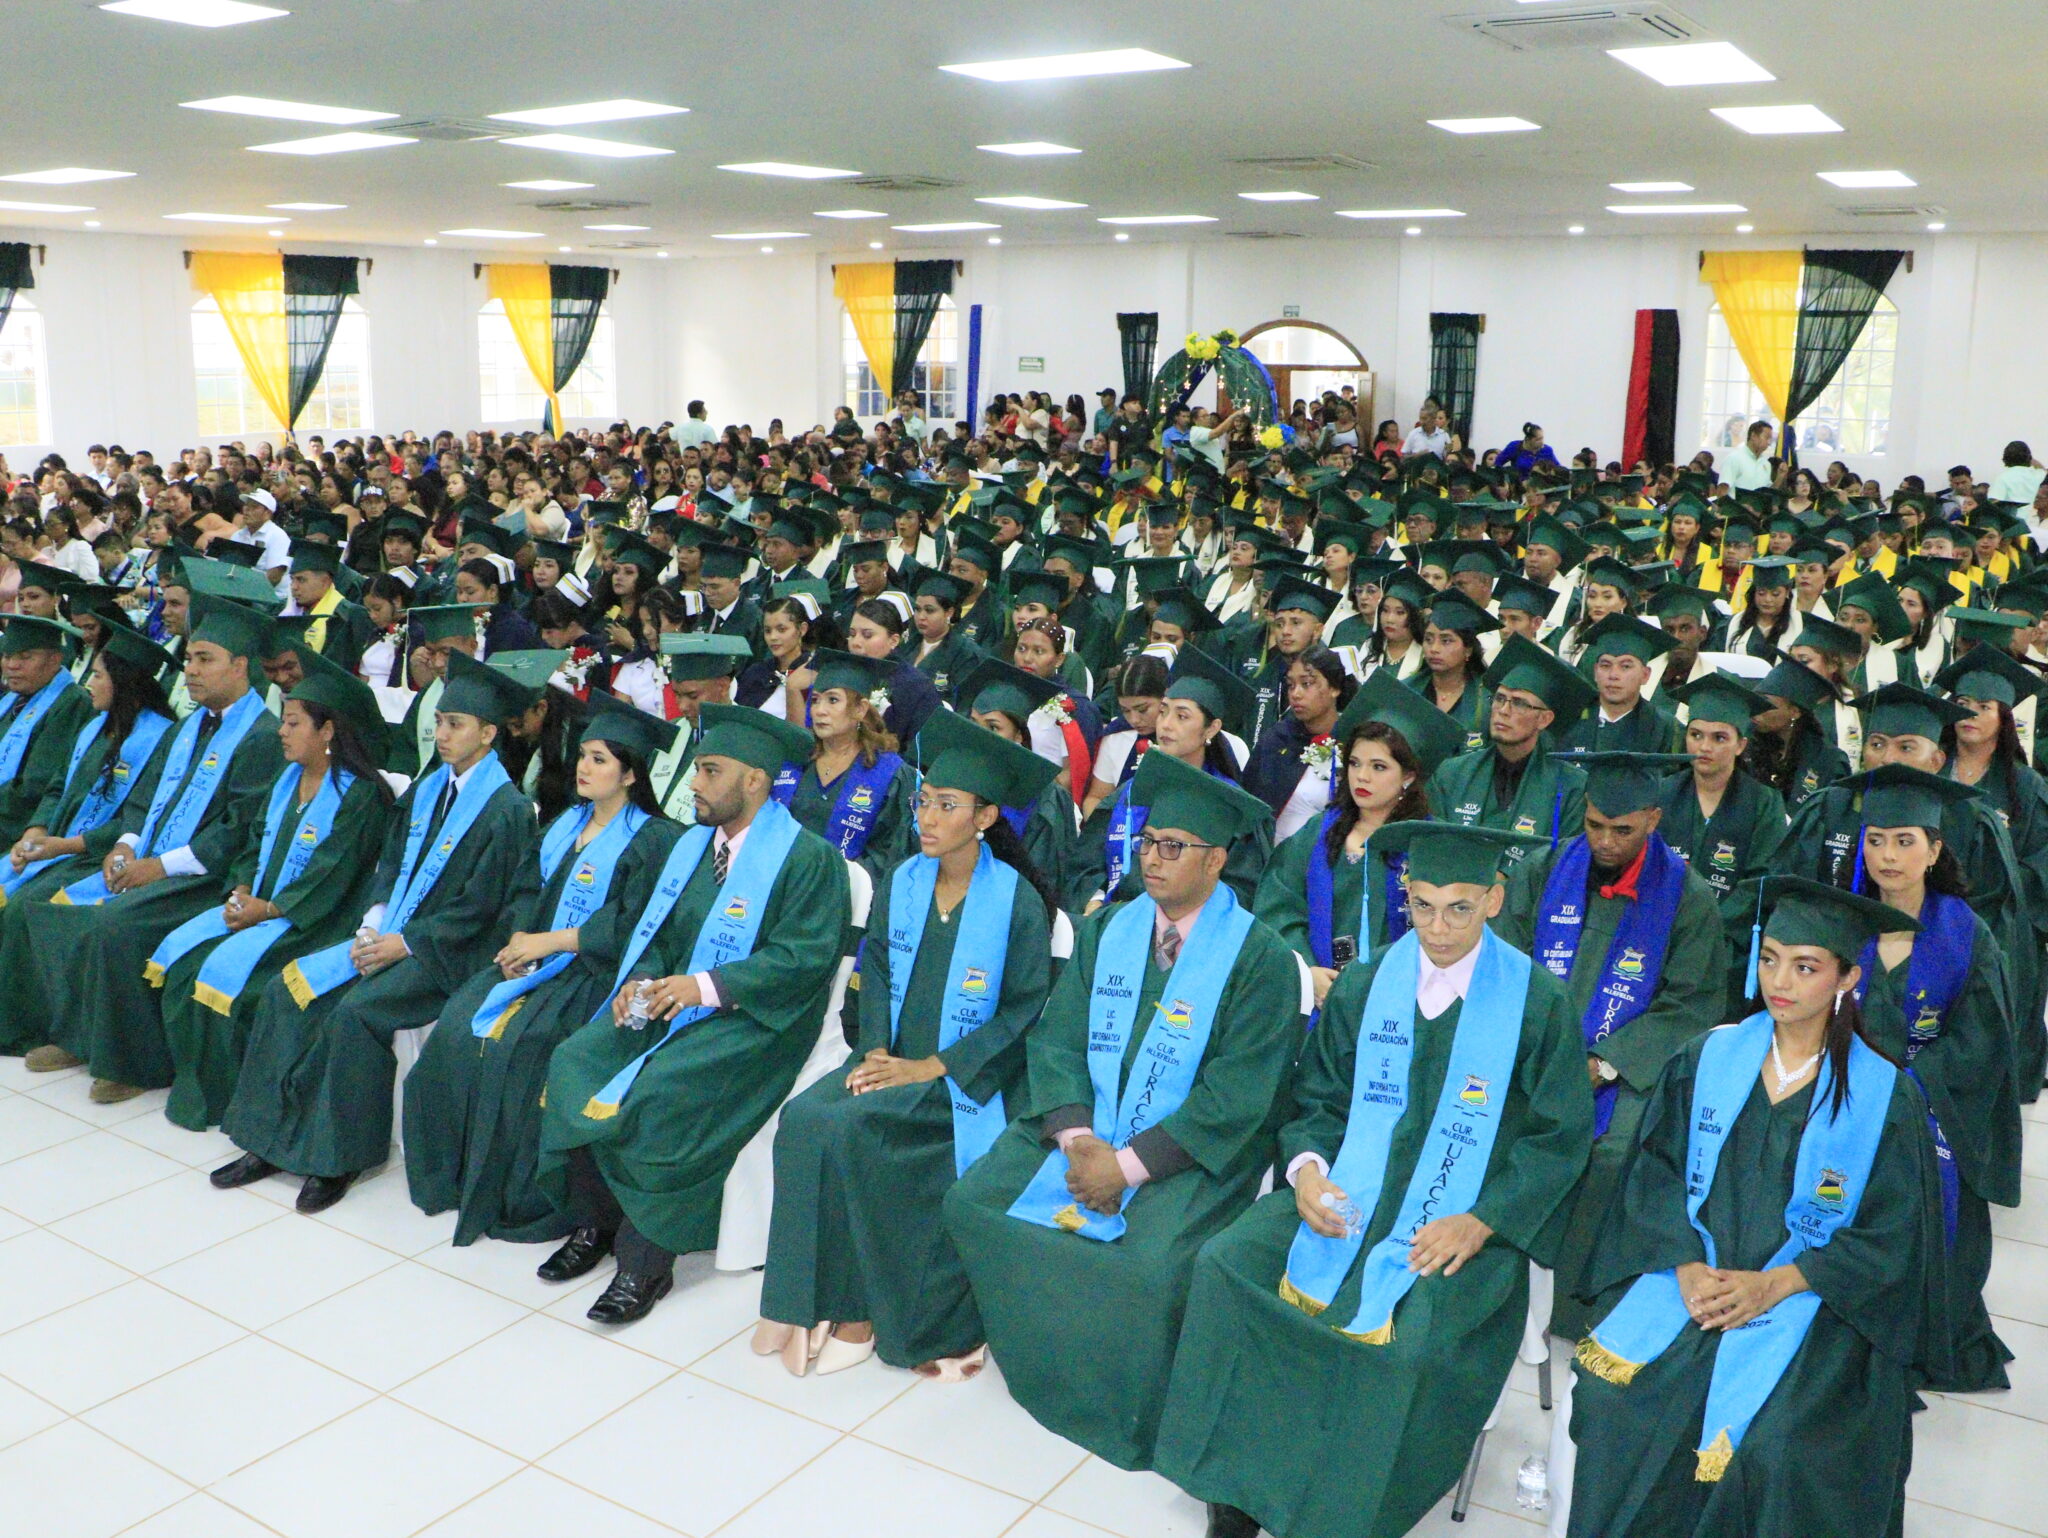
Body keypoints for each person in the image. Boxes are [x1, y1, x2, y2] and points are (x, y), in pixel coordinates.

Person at [1152, 822, 1594, 1538]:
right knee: (1225, 1266)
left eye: (1458, 907)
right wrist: (1306, 1175)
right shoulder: (1365, 983)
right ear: (1405, 899)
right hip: (1349, 1194)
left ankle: (1339, 1512)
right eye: (1422, 905)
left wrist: (1483, 1221)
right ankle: (1235, 1490)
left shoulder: (1537, 1003)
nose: (1438, 928)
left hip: (1463, 1222)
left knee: (1407, 1343)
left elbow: (1559, 1139)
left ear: (1493, 899)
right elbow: (1317, 1098)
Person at [944, 749, 1305, 1471]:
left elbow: (1237, 1096)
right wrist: (1079, 1141)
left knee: (1148, 1268)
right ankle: (1039, 1366)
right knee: (975, 1202)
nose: (1154, 859)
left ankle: (1128, 1416)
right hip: (1085, 1128)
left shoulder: (1259, 959)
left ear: (1217, 861)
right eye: (1147, 843)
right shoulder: (1111, 928)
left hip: (1189, 1153)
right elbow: (1058, 1038)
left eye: (1174, 848)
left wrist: (1130, 1166)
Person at [1565, 878, 1945, 1538]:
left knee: (1778, 1450)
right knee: (1616, 1401)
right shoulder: (1708, 1057)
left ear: (1847, 977)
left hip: (1814, 1302)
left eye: (1806, 967)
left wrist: (1780, 1282)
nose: (1782, 981)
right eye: (1770, 958)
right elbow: (1654, 1172)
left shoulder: (1886, 1098)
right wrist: (1684, 1264)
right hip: (1696, 1281)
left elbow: (1894, 1236)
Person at [757, 712, 1059, 1378]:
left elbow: (1024, 1011)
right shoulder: (904, 880)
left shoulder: (1017, 902)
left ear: (982, 818)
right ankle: (796, 1299)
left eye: (946, 806)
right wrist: (872, 1052)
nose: (926, 816)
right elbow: (878, 975)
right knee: (804, 1119)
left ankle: (859, 1311)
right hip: (889, 1058)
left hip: (963, 1080)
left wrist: (931, 1065)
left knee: (854, 1131)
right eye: (923, 801)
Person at [535, 704, 851, 1325]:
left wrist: (702, 987)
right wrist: (641, 980)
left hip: (755, 1022)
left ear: (755, 781)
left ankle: (645, 1262)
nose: (693, 785)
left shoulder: (808, 859)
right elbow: (658, 932)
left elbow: (801, 961)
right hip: (669, 1000)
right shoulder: (688, 848)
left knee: (660, 1091)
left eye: (708, 771)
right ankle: (597, 1221)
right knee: (576, 1058)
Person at [213, 650, 541, 1212]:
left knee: (353, 1014)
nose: (441, 733)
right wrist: (373, 922)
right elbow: (392, 860)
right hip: (394, 931)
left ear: (488, 733)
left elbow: (482, 906)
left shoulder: (505, 808)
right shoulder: (431, 785)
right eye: (438, 720)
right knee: (286, 991)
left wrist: (405, 941)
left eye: (455, 724)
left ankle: (338, 1158)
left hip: (450, 953)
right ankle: (266, 1142)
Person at [1494, 752, 1728, 1529]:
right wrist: (1535, 1049)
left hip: (1619, 1074)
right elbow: (1505, 962)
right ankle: (1498, 1310)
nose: (1602, 840)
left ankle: (1573, 1321)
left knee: (1610, 1158)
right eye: (1593, 824)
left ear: (1655, 823)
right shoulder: (1540, 870)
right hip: (1523, 1059)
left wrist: (1603, 1060)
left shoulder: (1687, 898)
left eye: (1621, 830)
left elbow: (1692, 1003)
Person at [404, 697, 682, 1247]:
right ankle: (452, 1179)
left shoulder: (656, 839)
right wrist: (519, 942)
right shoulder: (561, 824)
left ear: (630, 773)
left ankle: (525, 1200)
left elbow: (635, 926)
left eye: (600, 760)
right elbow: (524, 892)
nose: (584, 768)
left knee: (523, 1050)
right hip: (535, 961)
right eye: (582, 756)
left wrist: (549, 942)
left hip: (596, 976)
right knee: (459, 1027)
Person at [6, 598, 284, 1103]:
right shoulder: (187, 726)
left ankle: (133, 1064)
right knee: (58, 906)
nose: (192, 671)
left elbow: (236, 831)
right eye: (191, 659)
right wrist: (125, 848)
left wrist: (158, 865)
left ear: (240, 667)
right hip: (151, 860)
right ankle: (78, 1034)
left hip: (203, 877)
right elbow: (142, 801)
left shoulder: (262, 736)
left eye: (205, 659)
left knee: (113, 925)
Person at [154, 651, 396, 1130]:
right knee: (182, 967)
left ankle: (228, 1099)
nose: (281, 732)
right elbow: (253, 841)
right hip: (265, 907)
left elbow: (333, 874)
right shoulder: (286, 779)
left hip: (317, 921)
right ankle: (197, 1090)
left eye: (292, 723)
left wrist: (267, 909)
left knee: (231, 983)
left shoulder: (359, 794)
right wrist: (243, 888)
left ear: (327, 732)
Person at [1851, 764, 2021, 1392]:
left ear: (1935, 848)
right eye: (1874, 840)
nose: (1886, 857)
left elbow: (1981, 1041)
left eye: (1903, 841)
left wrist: (1910, 1086)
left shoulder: (1967, 934)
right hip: (1842, 1090)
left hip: (1933, 1104)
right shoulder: (1840, 919)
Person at [1255, 669, 1463, 1010]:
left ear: (1408, 777)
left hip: (1401, 1001)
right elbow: (1279, 905)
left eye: (1379, 767)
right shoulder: (1318, 833)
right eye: (1354, 763)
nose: (1362, 777)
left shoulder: (1430, 842)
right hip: (1317, 999)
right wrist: (1308, 970)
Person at [1081, 646, 1270, 910]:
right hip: (1117, 920)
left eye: (1181, 716)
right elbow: (1085, 864)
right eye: (1163, 712)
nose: (1166, 725)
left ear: (1212, 728)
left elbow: (1241, 891)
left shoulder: (1231, 808)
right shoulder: (1131, 792)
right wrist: (1096, 898)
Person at [1427, 635, 1594, 869]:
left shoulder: (1571, 788)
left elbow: (1567, 865)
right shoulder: (1451, 774)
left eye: (1519, 703)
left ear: (1544, 719)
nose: (1503, 711)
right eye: (1500, 699)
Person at [772, 648, 916, 887]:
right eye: (815, 700)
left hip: (844, 896)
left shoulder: (890, 774)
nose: (819, 710)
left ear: (860, 709)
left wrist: (832, 883)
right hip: (780, 884)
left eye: (833, 700)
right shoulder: (795, 760)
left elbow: (889, 852)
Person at [0, 613, 96, 848]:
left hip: (20, 826)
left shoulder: (72, 702)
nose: (12, 665)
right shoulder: (13, 698)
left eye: (25, 657)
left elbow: (36, 785)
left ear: (55, 660)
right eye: (7, 655)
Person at [1242, 646, 1355, 840]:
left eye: (1307, 683)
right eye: (1291, 685)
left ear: (1334, 688)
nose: (1296, 694)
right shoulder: (1277, 739)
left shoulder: (1354, 742)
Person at [1560, 615, 1682, 754]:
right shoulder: (1568, 722)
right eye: (1605, 665)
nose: (1613, 675)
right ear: (1595, 671)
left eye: (1625, 666)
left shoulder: (1666, 729)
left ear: (1645, 675)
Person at [1721, 419, 1776, 493]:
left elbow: (1767, 493)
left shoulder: (1766, 464)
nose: (1769, 442)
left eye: (1770, 439)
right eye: (1766, 438)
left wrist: (1780, 477)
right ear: (1753, 436)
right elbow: (1722, 490)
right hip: (1736, 504)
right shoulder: (1734, 458)